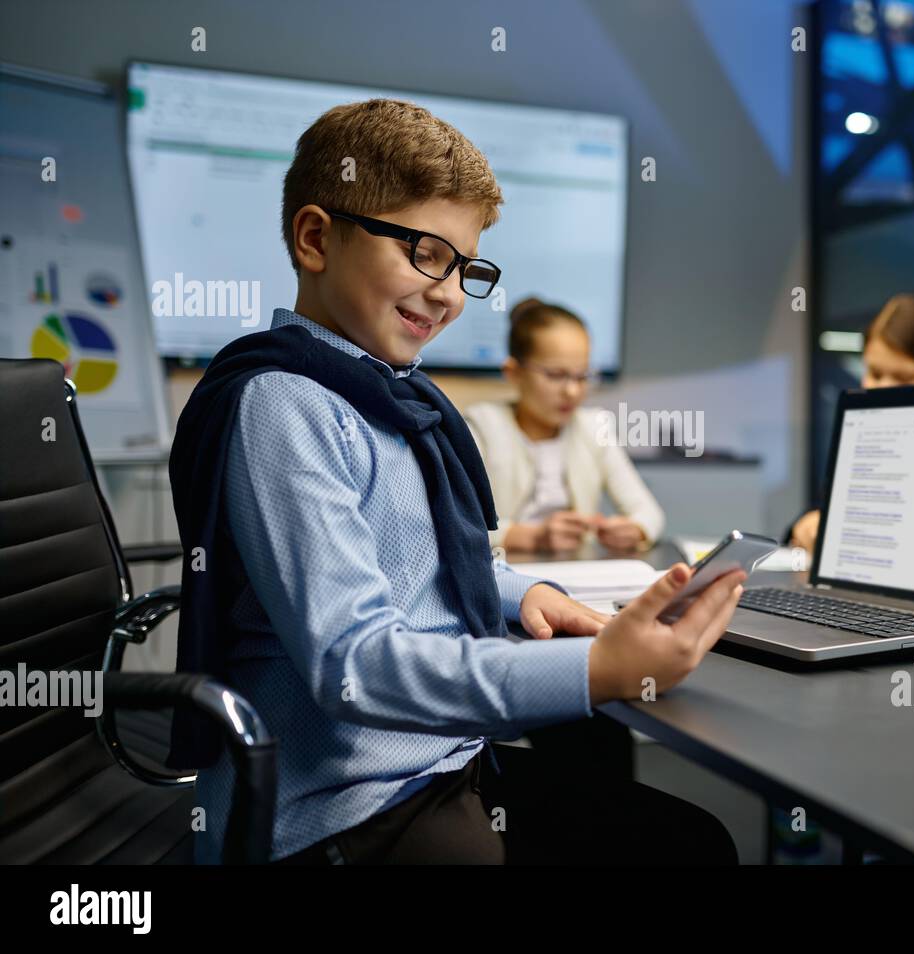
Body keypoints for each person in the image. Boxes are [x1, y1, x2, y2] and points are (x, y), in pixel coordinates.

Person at [167, 99, 744, 865]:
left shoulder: (393, 399)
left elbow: (425, 563)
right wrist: (599, 671)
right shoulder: (285, 405)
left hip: (437, 761)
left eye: (464, 267)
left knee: (690, 841)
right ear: (315, 238)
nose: (447, 292)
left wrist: (527, 596)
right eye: (424, 253)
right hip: (346, 809)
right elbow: (355, 664)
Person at [464, 298, 665, 553]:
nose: (572, 391)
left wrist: (635, 530)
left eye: (582, 377)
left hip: (575, 572)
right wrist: (531, 537)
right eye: (556, 375)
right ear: (514, 372)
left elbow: (650, 514)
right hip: (502, 574)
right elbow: (458, 524)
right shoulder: (482, 428)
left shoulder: (593, 428)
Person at [787, 294, 914, 554]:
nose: (882, 389)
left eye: (904, 377)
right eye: (875, 373)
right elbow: (819, 512)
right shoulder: (860, 440)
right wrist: (804, 528)